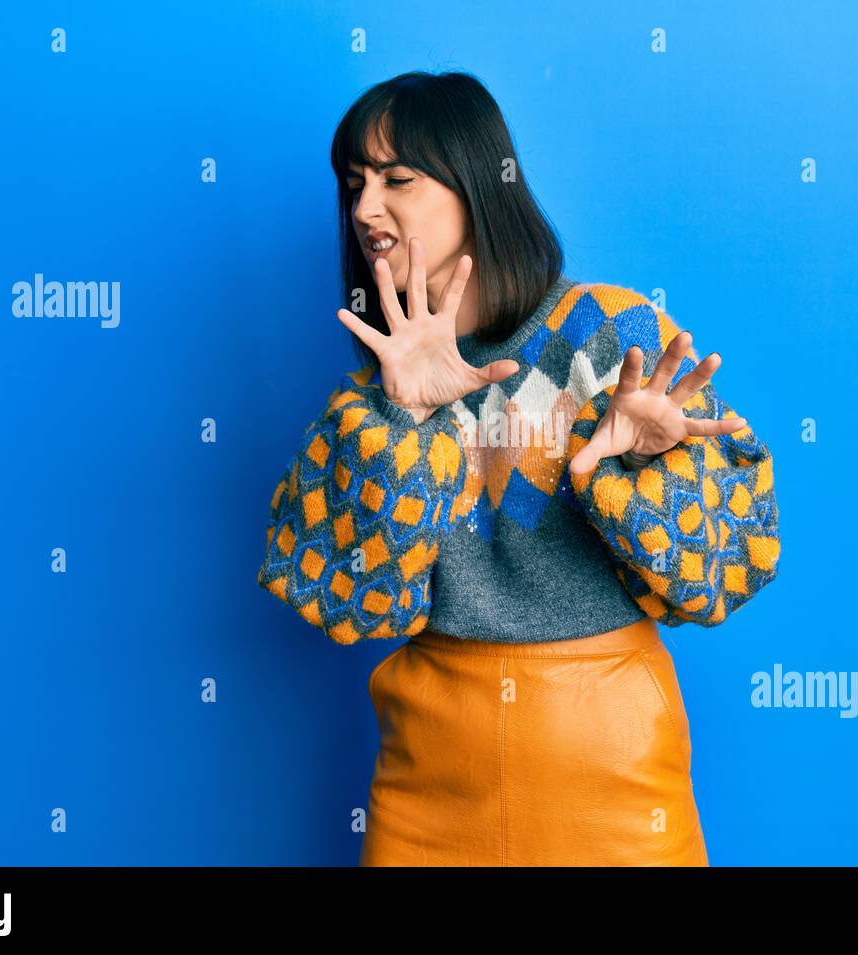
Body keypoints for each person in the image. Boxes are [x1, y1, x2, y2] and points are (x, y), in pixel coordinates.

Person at [257, 70, 781, 866]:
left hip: (608, 760)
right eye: (354, 183)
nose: (366, 209)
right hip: (430, 768)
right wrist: (402, 418)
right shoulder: (379, 382)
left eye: (398, 178)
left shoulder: (612, 333)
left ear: (477, 187)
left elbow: (719, 572)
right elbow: (351, 602)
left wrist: (645, 465)